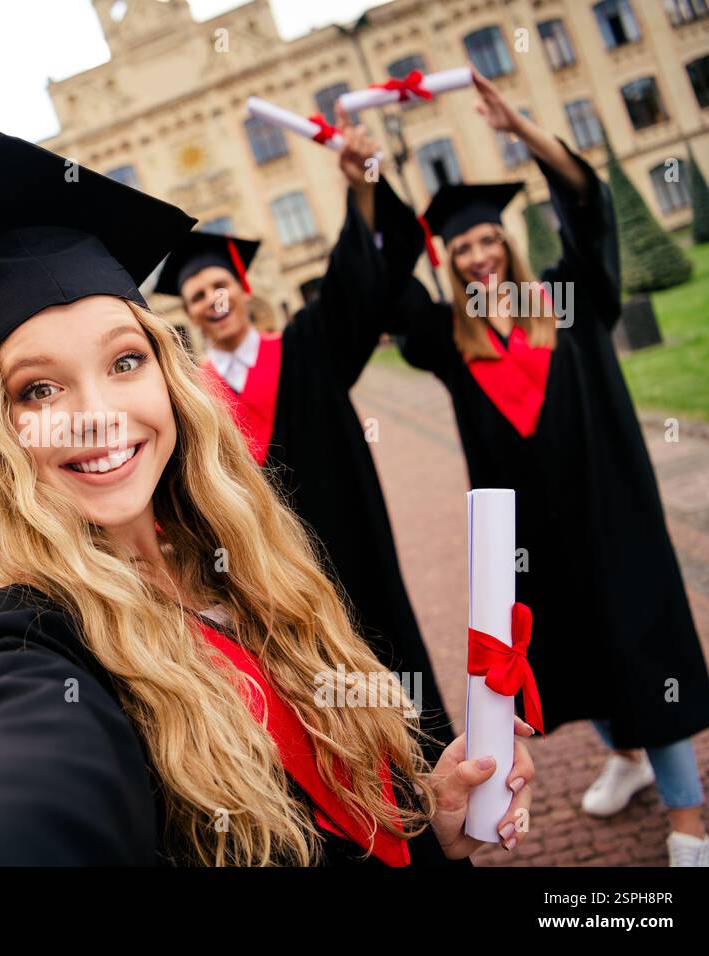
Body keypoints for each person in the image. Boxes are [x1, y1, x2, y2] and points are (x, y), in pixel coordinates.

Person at [0, 128, 535, 866]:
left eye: (125, 360)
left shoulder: (248, 566)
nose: (97, 413)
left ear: (171, 380)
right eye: (38, 388)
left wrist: (428, 825)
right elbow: (10, 788)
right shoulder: (26, 646)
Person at [386, 71, 709, 866]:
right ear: (453, 263)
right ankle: (628, 760)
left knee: (643, 658)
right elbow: (387, 293)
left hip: (616, 520)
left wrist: (526, 132)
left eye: (487, 240)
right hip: (533, 543)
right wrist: (370, 178)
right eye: (461, 248)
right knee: (572, 655)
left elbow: (588, 208)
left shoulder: (566, 303)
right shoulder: (449, 344)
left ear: (506, 243)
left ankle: (688, 824)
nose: (478, 255)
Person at [153, 115, 453, 762]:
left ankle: (430, 786)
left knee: (394, 673)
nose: (211, 299)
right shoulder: (191, 401)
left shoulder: (310, 347)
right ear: (189, 310)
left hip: (355, 560)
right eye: (198, 293)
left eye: (219, 286)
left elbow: (359, 277)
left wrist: (364, 186)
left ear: (244, 289)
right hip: (267, 583)